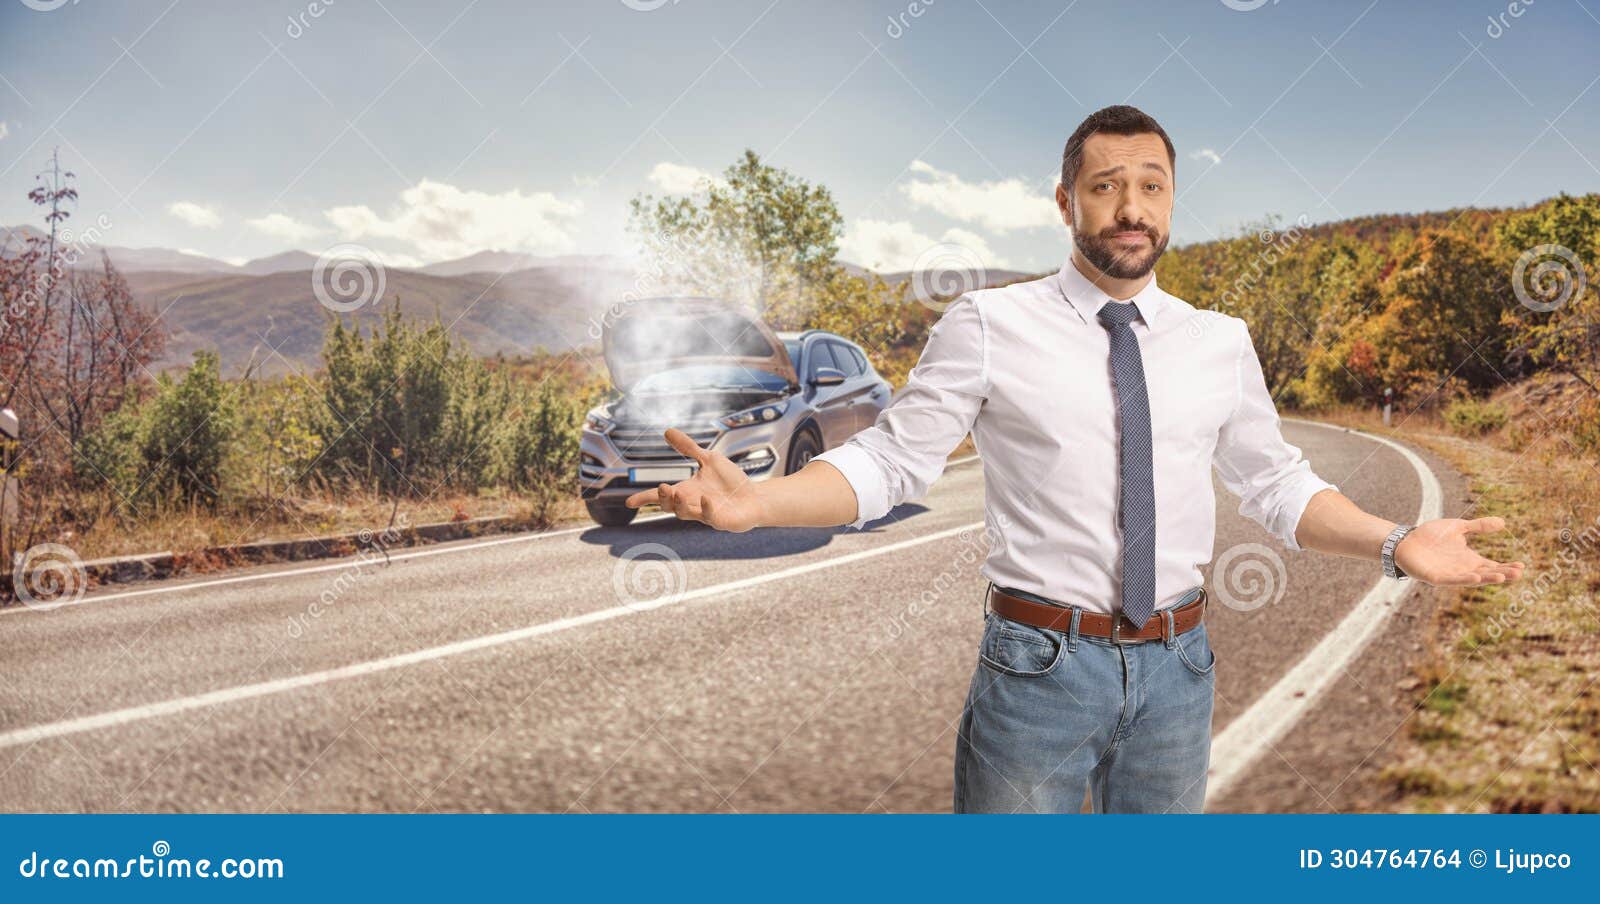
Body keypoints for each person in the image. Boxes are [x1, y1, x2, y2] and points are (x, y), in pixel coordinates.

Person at [624, 104, 1525, 813]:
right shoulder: (988, 324)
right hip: (1038, 670)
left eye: (1152, 186)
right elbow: (894, 465)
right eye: (1105, 187)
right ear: (1066, 203)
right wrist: (761, 503)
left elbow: (1277, 484)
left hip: (1181, 669)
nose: (1131, 210)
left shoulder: (1220, 341)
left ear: (1172, 199)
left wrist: (1395, 540)